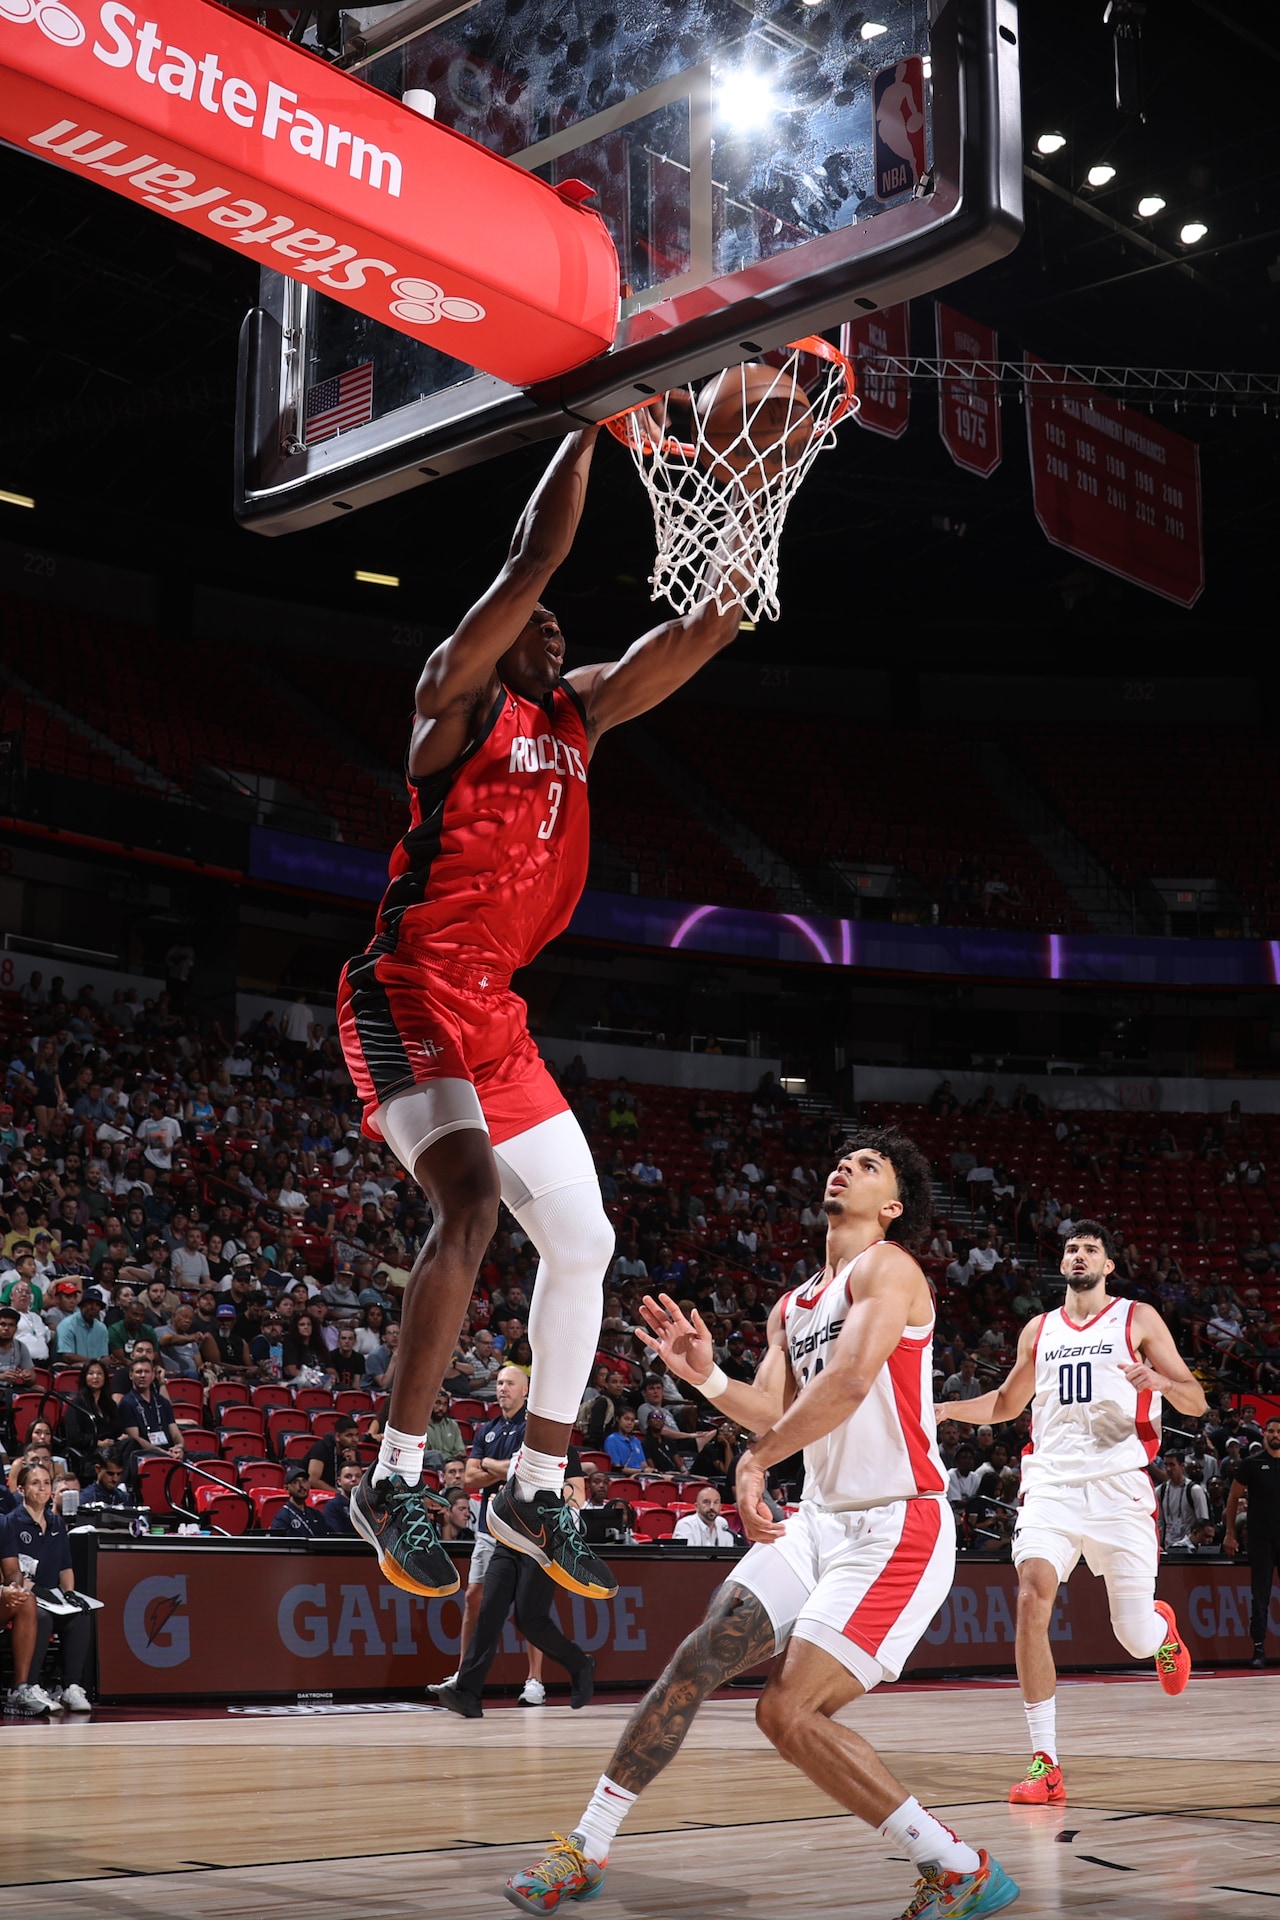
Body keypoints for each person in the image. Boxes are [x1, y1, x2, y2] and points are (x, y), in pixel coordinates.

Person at [337, 426, 742, 1602]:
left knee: (586, 1243)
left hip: (495, 1020)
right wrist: (593, 424)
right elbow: (528, 564)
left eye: (565, 632)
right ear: (496, 635)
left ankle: (533, 1490)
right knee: (466, 1204)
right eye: (542, 626)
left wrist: (746, 514)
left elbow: (697, 631)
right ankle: (395, 1477)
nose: (558, 636)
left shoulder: (580, 717)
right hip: (405, 990)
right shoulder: (451, 705)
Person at [506, 1130, 1016, 1920]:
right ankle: (587, 1845)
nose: (843, 1165)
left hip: (897, 1525)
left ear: (892, 1206)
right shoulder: (792, 1305)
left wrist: (753, 1463)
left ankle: (954, 1865)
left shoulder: (890, 1268)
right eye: (841, 1157)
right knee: (695, 1658)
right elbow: (777, 1410)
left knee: (786, 1712)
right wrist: (705, 1374)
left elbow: (848, 1383)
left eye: (868, 1166)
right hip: (817, 1522)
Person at [943, 1219, 1207, 1805]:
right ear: (1061, 1264)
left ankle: (1161, 1629)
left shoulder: (1136, 1319)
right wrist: (943, 1410)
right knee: (1031, 1595)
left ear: (1108, 1265)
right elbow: (1006, 1403)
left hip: (1119, 1490)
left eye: (1090, 1249)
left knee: (1132, 1636)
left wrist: (1158, 1377)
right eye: (1071, 1249)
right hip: (1052, 1487)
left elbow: (1196, 1399)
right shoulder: (1038, 1330)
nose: (1079, 1255)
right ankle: (1046, 1764)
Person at [428, 1445, 592, 1719]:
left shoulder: (563, 1450)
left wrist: (543, 1496)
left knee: (529, 1619)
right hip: (506, 1538)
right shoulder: (521, 1447)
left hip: (542, 1542)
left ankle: (579, 1664)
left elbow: (578, 1494)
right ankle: (468, 1692)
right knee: (489, 1609)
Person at [1, 1461, 96, 1713]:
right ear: (21, 1490)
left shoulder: (56, 1524)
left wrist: (70, 1593)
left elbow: (65, 1567)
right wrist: (26, 1587)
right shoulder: (11, 1523)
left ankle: (70, 1687)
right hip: (31, 1596)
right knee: (37, 1612)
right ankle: (30, 1685)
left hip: (52, 1595)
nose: (42, 1489)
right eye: (35, 1483)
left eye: (46, 1483)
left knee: (82, 1615)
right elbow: (13, 1572)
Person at [1224, 1414, 1280, 1668]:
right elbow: (1233, 1498)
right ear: (1264, 1434)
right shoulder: (1251, 1464)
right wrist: (1230, 1533)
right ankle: (1258, 1649)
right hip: (1260, 1537)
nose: (1275, 1435)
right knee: (1260, 1595)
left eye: (1278, 1431)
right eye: (1270, 1430)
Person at [62, 1358, 119, 1478]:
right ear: (84, 1377)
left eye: (99, 1373)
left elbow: (115, 1429)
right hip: (90, 1452)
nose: (95, 1377)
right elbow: (74, 1437)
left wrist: (121, 1436)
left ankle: (122, 1484)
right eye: (91, 1373)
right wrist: (98, 1442)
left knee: (130, 1444)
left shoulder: (109, 1404)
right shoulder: (77, 1404)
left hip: (112, 1448)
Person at [271, 1465, 329, 1536]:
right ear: (286, 1488)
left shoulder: (316, 1515)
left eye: (304, 1481)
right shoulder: (283, 1517)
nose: (302, 1485)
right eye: (296, 1482)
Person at [671, 1485, 736, 1546]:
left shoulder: (722, 1524)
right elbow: (685, 1555)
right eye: (706, 1502)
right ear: (697, 1506)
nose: (712, 1507)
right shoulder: (686, 1525)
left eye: (716, 1502)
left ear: (720, 1507)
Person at [322, 1461, 363, 1537]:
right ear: (339, 1481)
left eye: (358, 1476)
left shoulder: (369, 1505)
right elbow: (337, 1537)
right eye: (348, 1476)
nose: (354, 1479)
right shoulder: (333, 1506)